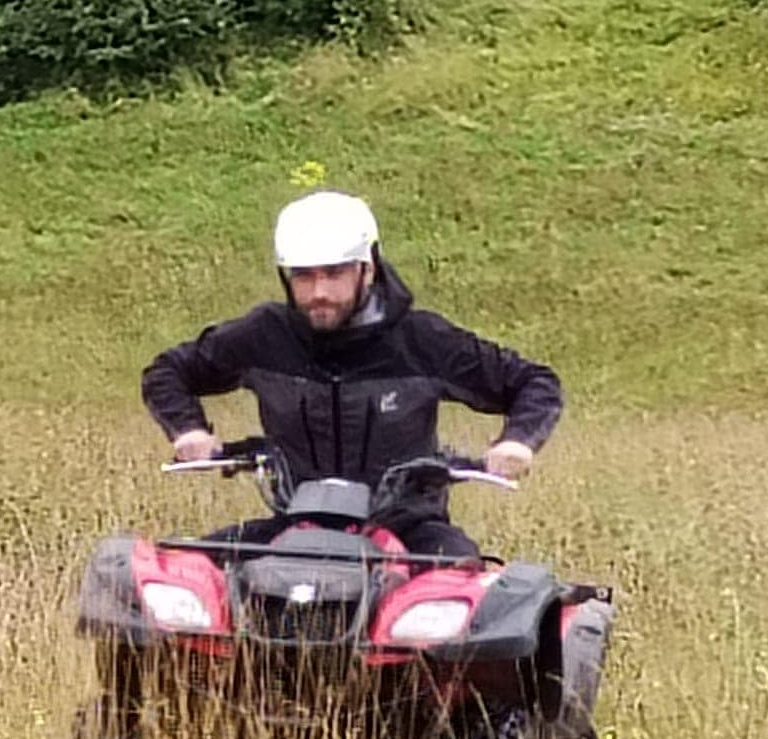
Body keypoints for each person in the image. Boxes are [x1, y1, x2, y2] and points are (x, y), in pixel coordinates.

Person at [140, 190, 563, 559]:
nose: (318, 292)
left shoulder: (421, 339)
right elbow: (168, 372)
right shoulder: (265, 335)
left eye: (334, 273)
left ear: (369, 268)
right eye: (303, 276)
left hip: (410, 535)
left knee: (475, 608)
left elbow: (533, 382)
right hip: (295, 529)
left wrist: (517, 442)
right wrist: (188, 432)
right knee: (178, 581)